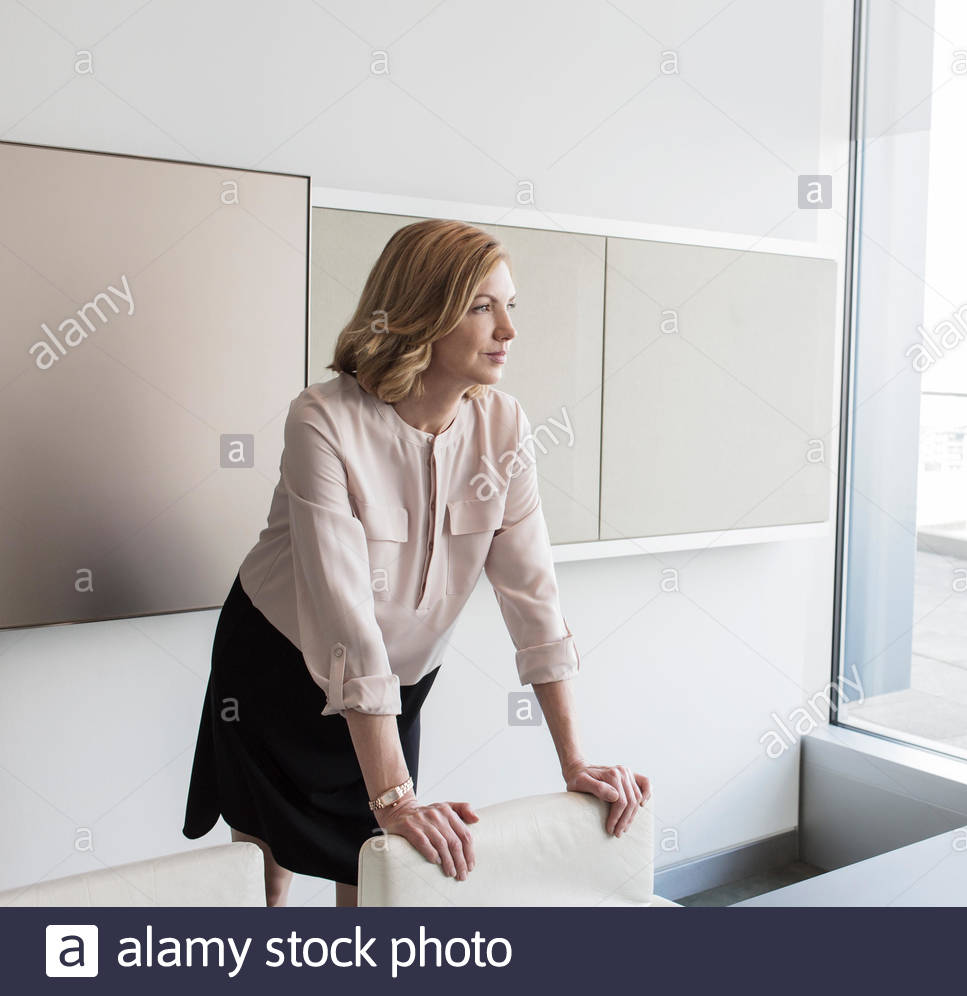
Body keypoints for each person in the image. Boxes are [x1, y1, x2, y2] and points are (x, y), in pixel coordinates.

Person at [183, 218, 651, 907]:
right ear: (423, 311)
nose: (508, 331)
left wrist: (574, 762)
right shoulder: (322, 420)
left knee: (380, 864)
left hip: (395, 682)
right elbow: (345, 618)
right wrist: (394, 794)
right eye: (481, 306)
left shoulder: (505, 428)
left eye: (509, 305)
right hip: (279, 666)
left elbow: (534, 600)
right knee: (267, 865)